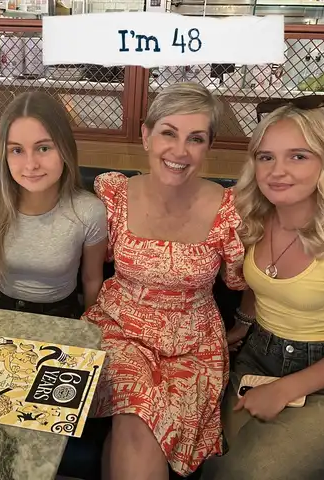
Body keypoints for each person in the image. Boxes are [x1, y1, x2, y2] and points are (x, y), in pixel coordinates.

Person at [204, 96, 324, 480]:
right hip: (257, 360)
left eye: (298, 156)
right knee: (210, 455)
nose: (278, 171)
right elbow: (259, 284)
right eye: (266, 157)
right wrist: (241, 323)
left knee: (248, 473)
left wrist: (286, 389)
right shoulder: (254, 217)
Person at [83, 83, 250, 479]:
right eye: (168, 133)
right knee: (137, 412)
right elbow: (89, 267)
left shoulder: (230, 208)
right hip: (119, 329)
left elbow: (255, 279)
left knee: (133, 427)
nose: (180, 150)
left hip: (194, 345)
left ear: (209, 146)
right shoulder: (113, 194)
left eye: (196, 139)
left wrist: (243, 323)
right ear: (146, 136)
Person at [0, 91, 107, 319]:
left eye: (43, 148)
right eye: (17, 150)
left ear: (65, 148)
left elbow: (92, 279)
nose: (30, 165)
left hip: (61, 314)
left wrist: (89, 328)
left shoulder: (89, 211)